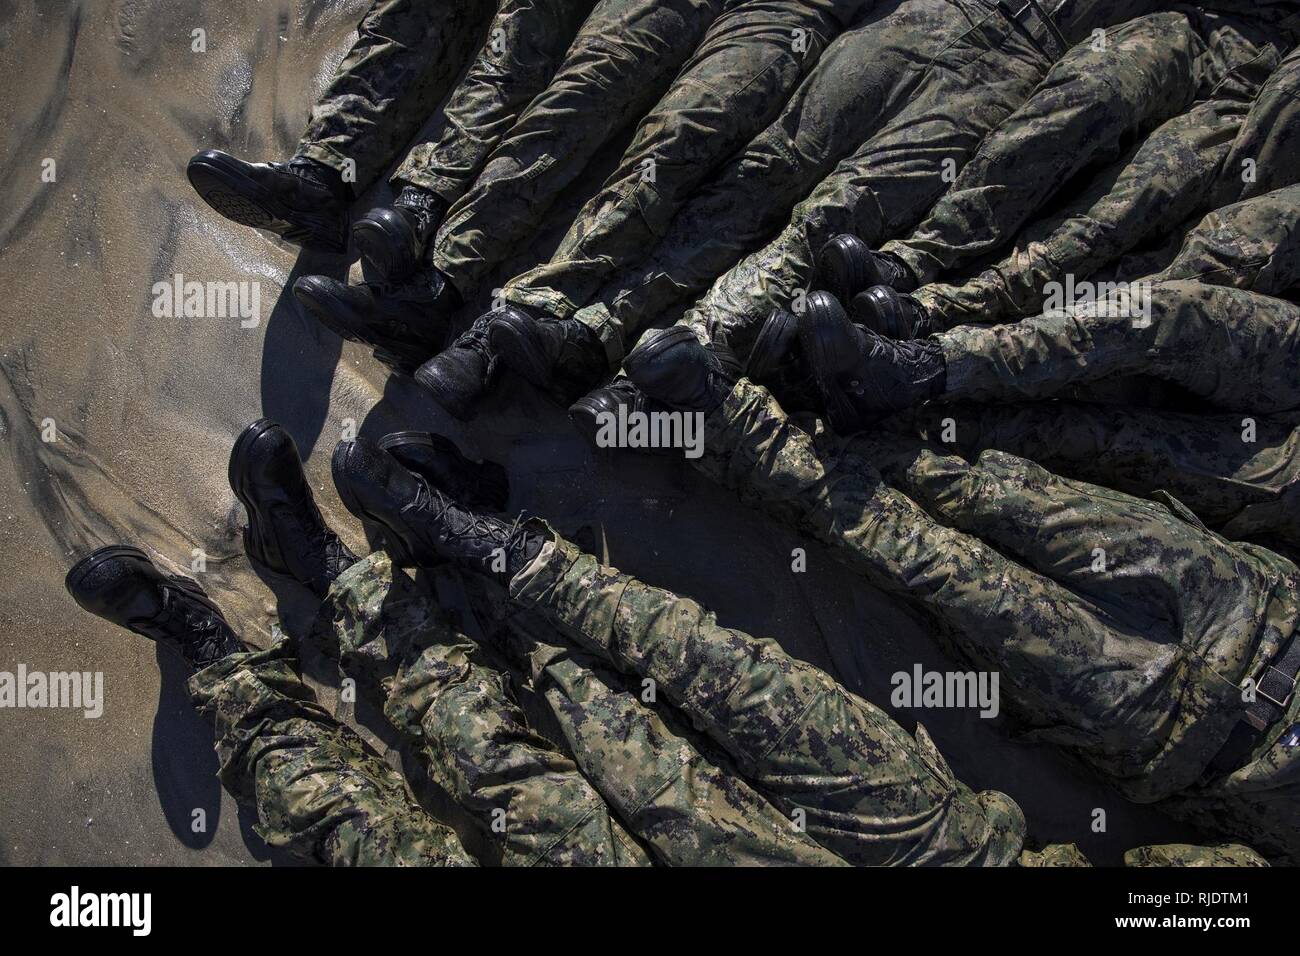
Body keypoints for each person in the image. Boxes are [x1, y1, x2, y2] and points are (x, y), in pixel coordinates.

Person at [604, 325, 1300, 863]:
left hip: (1184, 724)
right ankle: (797, 409)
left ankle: (728, 416)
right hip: (1251, 598)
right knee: (997, 493)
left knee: (934, 562)